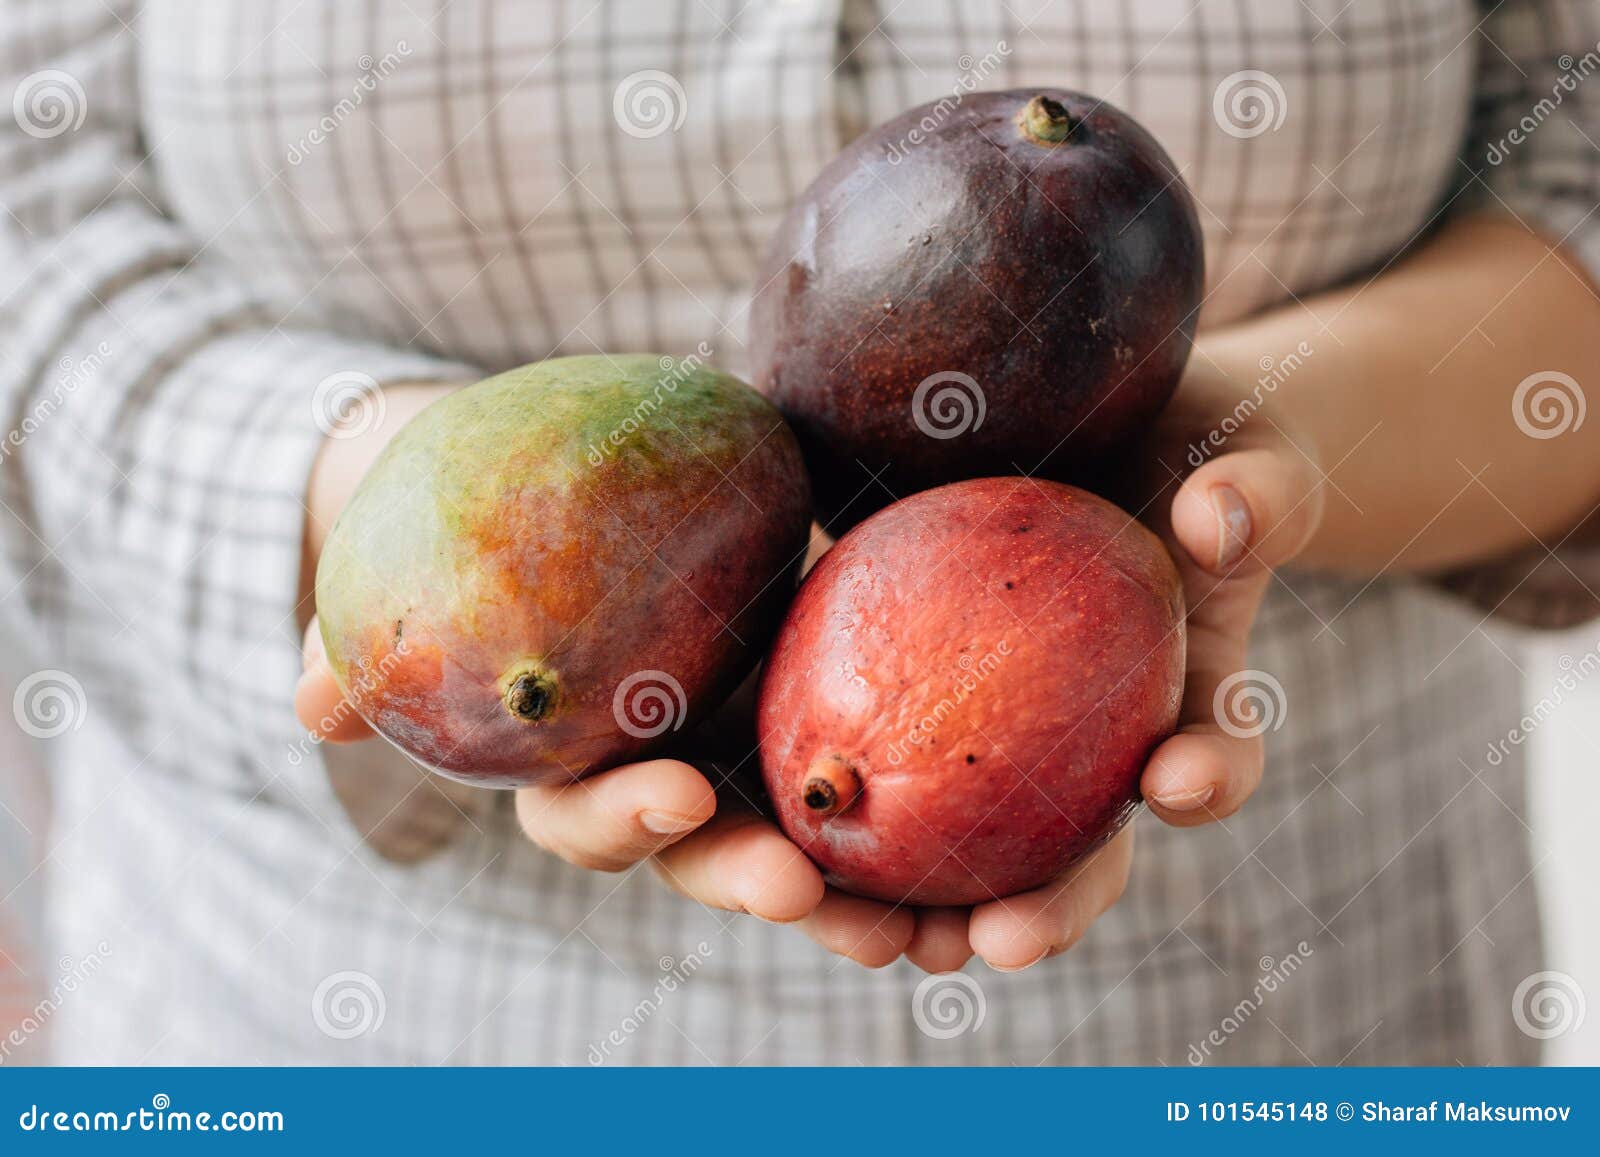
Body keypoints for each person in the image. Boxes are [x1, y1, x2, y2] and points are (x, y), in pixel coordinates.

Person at [3, 0, 1597, 1065]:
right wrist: (397, 506)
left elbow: (1574, 165)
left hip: (1296, 1011)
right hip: (340, 1025)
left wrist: (1234, 445)